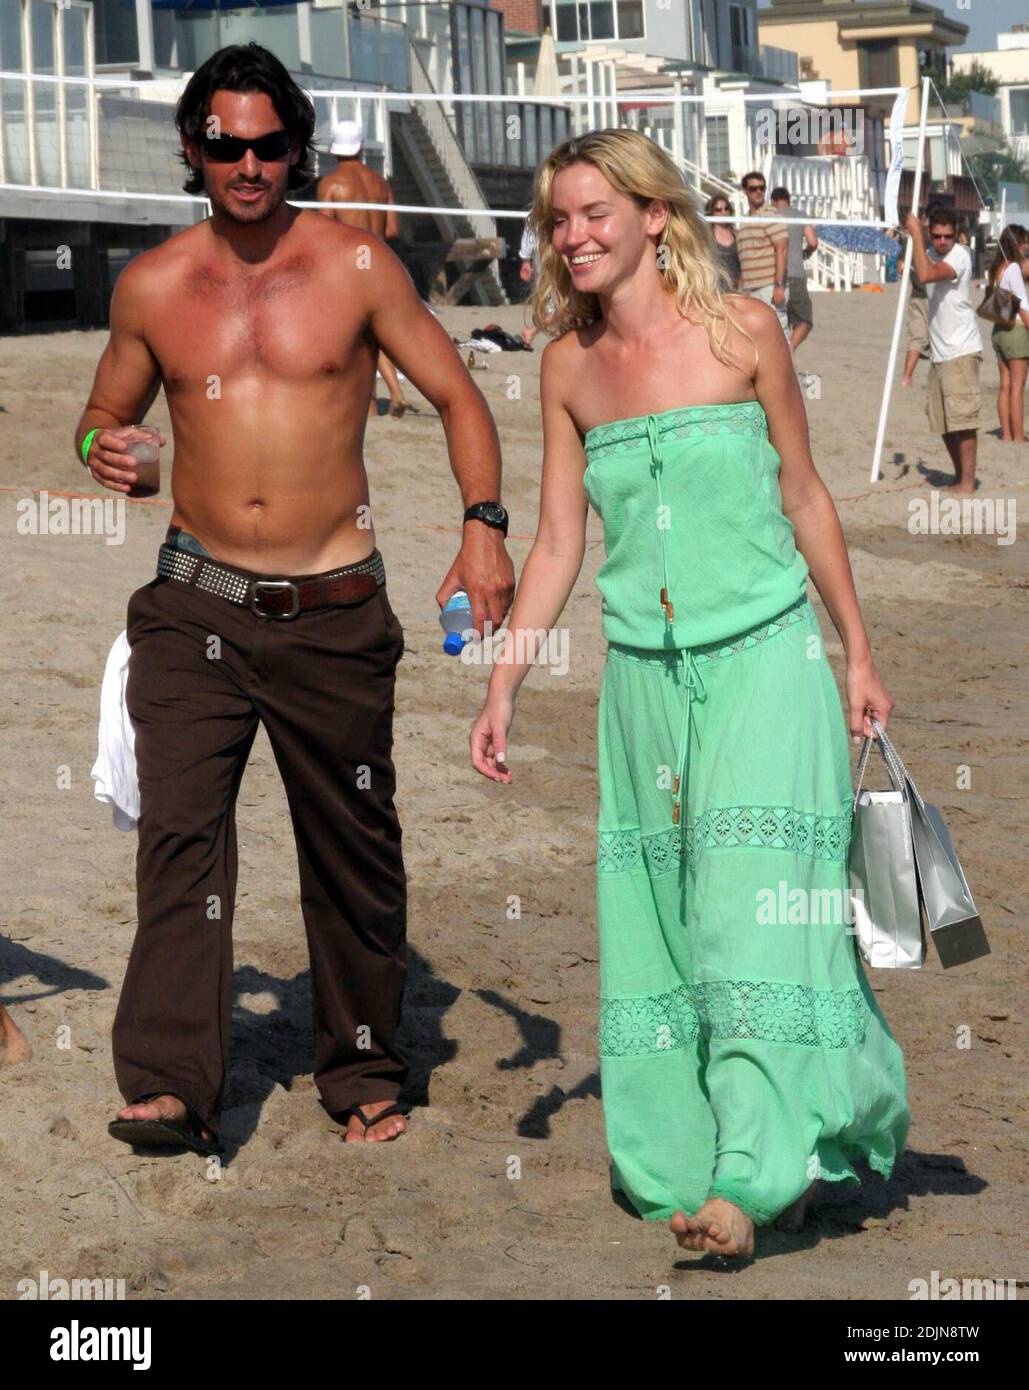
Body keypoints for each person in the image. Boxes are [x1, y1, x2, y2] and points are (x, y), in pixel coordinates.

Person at [469, 129, 909, 1260]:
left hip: (766, 660)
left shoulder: (742, 331)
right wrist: (504, 683)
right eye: (558, 219)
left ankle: (752, 1181)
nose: (573, 235)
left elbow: (805, 497)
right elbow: (562, 543)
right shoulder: (566, 364)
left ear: (654, 215)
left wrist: (856, 650)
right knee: (660, 922)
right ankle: (693, 1155)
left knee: (749, 912)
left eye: (594, 212)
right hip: (643, 686)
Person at [75, 43, 514, 1153]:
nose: (250, 163)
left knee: (351, 845)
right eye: (226, 143)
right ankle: (173, 1079)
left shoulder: (355, 271)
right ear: (194, 148)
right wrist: (112, 452)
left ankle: (363, 1061)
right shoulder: (155, 285)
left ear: (295, 148)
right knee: (181, 839)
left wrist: (482, 526)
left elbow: (461, 396)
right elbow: (98, 416)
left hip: (334, 610)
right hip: (195, 602)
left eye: (271, 144)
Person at [316, 118, 410, 418]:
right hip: (380, 262)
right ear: (360, 149)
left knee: (360, 335)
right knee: (372, 332)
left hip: (350, 266)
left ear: (335, 151)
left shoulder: (330, 184)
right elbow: (393, 229)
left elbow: (326, 231)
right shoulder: (381, 183)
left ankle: (381, 399)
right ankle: (383, 397)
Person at [903, 205, 982, 494]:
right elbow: (916, 275)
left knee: (963, 420)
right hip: (939, 350)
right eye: (936, 236)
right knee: (944, 421)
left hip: (961, 348)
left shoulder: (960, 256)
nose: (941, 242)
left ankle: (968, 482)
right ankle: (960, 476)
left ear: (955, 235)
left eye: (946, 236)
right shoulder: (932, 254)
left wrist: (916, 235)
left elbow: (925, 275)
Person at [986, 223, 1029, 442]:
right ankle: (1019, 436)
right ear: (1016, 244)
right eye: (1024, 242)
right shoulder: (1013, 269)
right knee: (1018, 386)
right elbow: (1023, 305)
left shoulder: (997, 268)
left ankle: (1006, 434)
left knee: (1005, 385)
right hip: (1016, 330)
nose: (1027, 246)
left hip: (999, 330)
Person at [735, 170, 789, 335]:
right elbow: (745, 259)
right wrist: (741, 288)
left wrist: (779, 286)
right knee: (754, 336)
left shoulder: (770, 214)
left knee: (778, 334)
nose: (758, 192)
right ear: (745, 190)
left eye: (762, 188)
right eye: (753, 189)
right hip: (750, 289)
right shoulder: (744, 220)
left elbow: (782, 248)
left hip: (768, 287)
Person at [769, 185, 817, 353]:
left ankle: (783, 351)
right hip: (796, 274)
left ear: (773, 201)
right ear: (788, 200)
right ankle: (791, 348)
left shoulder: (771, 216)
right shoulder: (799, 215)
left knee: (778, 322)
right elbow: (813, 242)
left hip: (774, 276)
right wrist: (805, 253)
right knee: (804, 320)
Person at [900, 216, 931, 388]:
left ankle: (907, 377)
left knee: (920, 338)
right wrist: (903, 266)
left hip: (932, 297)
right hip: (921, 295)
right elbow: (900, 262)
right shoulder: (911, 241)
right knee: (917, 337)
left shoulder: (936, 239)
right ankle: (906, 377)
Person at [704, 193, 740, 291]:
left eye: (726, 208)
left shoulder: (737, 235)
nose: (723, 212)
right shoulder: (706, 238)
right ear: (712, 213)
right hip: (714, 289)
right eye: (718, 210)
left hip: (736, 289)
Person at [518, 216, 541, 349]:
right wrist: (526, 260)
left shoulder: (534, 213)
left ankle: (532, 331)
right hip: (546, 255)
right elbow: (530, 232)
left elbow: (529, 233)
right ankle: (531, 331)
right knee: (561, 304)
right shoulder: (535, 213)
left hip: (543, 254)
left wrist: (526, 260)